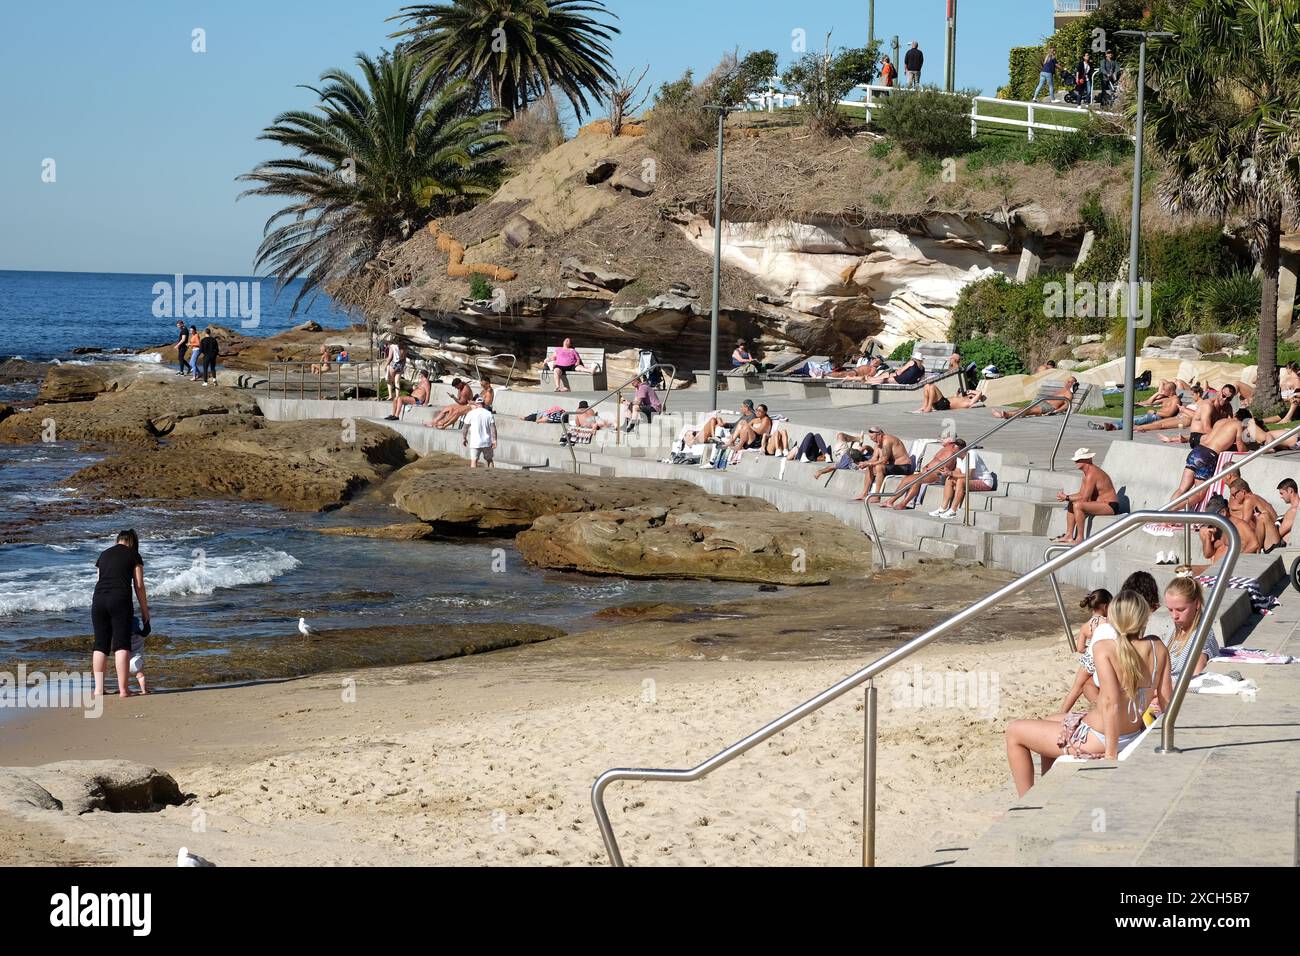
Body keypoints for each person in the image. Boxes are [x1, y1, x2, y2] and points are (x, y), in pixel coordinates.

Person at [1005, 589, 1172, 795]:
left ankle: (1026, 803)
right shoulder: (1157, 646)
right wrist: (1167, 739)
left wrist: (1111, 755)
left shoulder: (1105, 647)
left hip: (1096, 738)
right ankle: (1046, 792)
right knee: (1049, 720)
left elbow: (1111, 703)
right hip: (1132, 732)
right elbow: (1167, 701)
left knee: (1014, 731)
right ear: (1144, 617)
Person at [91, 529, 151, 700]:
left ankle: (98, 690)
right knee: (121, 644)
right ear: (132, 542)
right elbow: (139, 585)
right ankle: (124, 690)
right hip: (120, 600)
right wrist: (145, 611)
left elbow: (98, 580)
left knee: (100, 645)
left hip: (98, 600)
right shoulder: (134, 555)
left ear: (118, 540)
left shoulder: (103, 555)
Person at [1165, 408, 1248, 510]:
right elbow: (1240, 448)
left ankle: (1166, 514)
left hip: (1197, 451)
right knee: (1199, 494)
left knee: (1182, 488)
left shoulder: (1220, 421)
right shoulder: (1239, 425)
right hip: (1208, 456)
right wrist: (1248, 447)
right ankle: (1172, 509)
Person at [1157, 577, 1221, 685]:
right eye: (1170, 609)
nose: (1174, 616)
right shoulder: (1175, 630)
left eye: (1181, 610)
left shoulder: (1201, 637)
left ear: (1197, 604)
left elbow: (1195, 679)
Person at [1059, 589, 1113, 713]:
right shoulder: (1106, 623)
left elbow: (1080, 648)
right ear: (1105, 606)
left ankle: (1062, 713)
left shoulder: (1085, 626)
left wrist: (1089, 649)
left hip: (1089, 660)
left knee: (1076, 689)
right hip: (1102, 658)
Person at [1053, 448, 1121, 545]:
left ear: (1087, 460)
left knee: (1078, 505)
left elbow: (1085, 498)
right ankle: (1068, 535)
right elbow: (1081, 494)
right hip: (1099, 503)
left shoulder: (1092, 473)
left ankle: (1080, 538)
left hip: (1110, 505)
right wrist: (1067, 497)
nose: (1076, 462)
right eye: (1076, 460)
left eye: (1079, 460)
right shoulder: (1086, 474)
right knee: (1072, 503)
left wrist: (1067, 498)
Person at [886, 438, 958, 511]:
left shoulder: (952, 453)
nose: (941, 439)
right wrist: (926, 467)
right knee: (906, 479)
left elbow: (946, 467)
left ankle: (902, 504)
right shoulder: (943, 449)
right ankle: (890, 501)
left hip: (937, 475)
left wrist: (930, 470)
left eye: (944, 438)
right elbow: (933, 461)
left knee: (916, 481)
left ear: (950, 441)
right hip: (929, 472)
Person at [931, 439, 997, 518]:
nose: (952, 451)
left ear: (961, 449)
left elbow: (969, 475)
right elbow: (957, 472)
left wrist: (951, 473)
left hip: (985, 482)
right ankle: (942, 508)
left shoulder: (971, 455)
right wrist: (948, 473)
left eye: (954, 449)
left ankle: (953, 510)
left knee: (961, 481)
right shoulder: (959, 457)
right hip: (971, 480)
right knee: (950, 479)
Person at [1158, 383, 1236, 448]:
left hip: (1209, 436)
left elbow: (1230, 424)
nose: (1225, 399)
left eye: (1229, 399)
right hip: (1197, 436)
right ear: (1219, 392)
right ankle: (1184, 438)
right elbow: (1207, 429)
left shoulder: (1228, 407)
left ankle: (1182, 438)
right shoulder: (1208, 405)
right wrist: (1223, 438)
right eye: (1224, 395)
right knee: (1223, 442)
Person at [855, 426, 913, 500]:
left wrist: (869, 463)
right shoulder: (877, 443)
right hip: (892, 466)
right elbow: (874, 458)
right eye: (871, 438)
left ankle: (877, 496)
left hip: (904, 467)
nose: (872, 440)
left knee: (879, 467)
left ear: (879, 434)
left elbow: (884, 460)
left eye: (873, 438)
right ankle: (864, 493)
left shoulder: (887, 441)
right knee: (869, 466)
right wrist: (865, 463)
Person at [1227, 476, 1282, 552]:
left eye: (1234, 494)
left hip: (1272, 539)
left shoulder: (1249, 500)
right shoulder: (1255, 497)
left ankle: (1255, 549)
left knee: (1262, 518)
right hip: (1274, 535)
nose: (1233, 498)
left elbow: (1243, 523)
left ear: (1243, 491)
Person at [992, 376, 1077, 419]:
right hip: (1043, 403)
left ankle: (1007, 415)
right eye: (1067, 381)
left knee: (1028, 410)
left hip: (1048, 407)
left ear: (1073, 384)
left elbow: (1066, 405)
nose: (1067, 383)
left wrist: (1055, 412)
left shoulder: (1069, 393)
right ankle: (1005, 413)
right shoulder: (1063, 389)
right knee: (1024, 408)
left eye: (1069, 382)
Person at [462, 396, 496, 468]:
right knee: (489, 460)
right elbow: (493, 428)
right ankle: (492, 476)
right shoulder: (489, 414)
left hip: (475, 442)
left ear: (476, 404)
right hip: (487, 441)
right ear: (483, 404)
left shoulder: (471, 413)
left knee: (474, 460)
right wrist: (494, 440)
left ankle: (473, 476)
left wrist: (464, 438)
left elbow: (465, 427)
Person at [915, 383, 984, 413]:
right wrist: (957, 394)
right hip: (942, 403)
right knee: (927, 386)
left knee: (932, 386)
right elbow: (954, 399)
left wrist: (971, 391)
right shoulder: (962, 398)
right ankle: (925, 406)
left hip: (944, 405)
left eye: (972, 394)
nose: (969, 394)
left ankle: (929, 406)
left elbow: (979, 393)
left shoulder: (969, 402)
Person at [1277, 478, 1298, 544]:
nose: (1281, 497)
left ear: (1290, 490)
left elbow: (1278, 534)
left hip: (1282, 546)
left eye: (1282, 493)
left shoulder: (1294, 510)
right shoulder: (1294, 509)